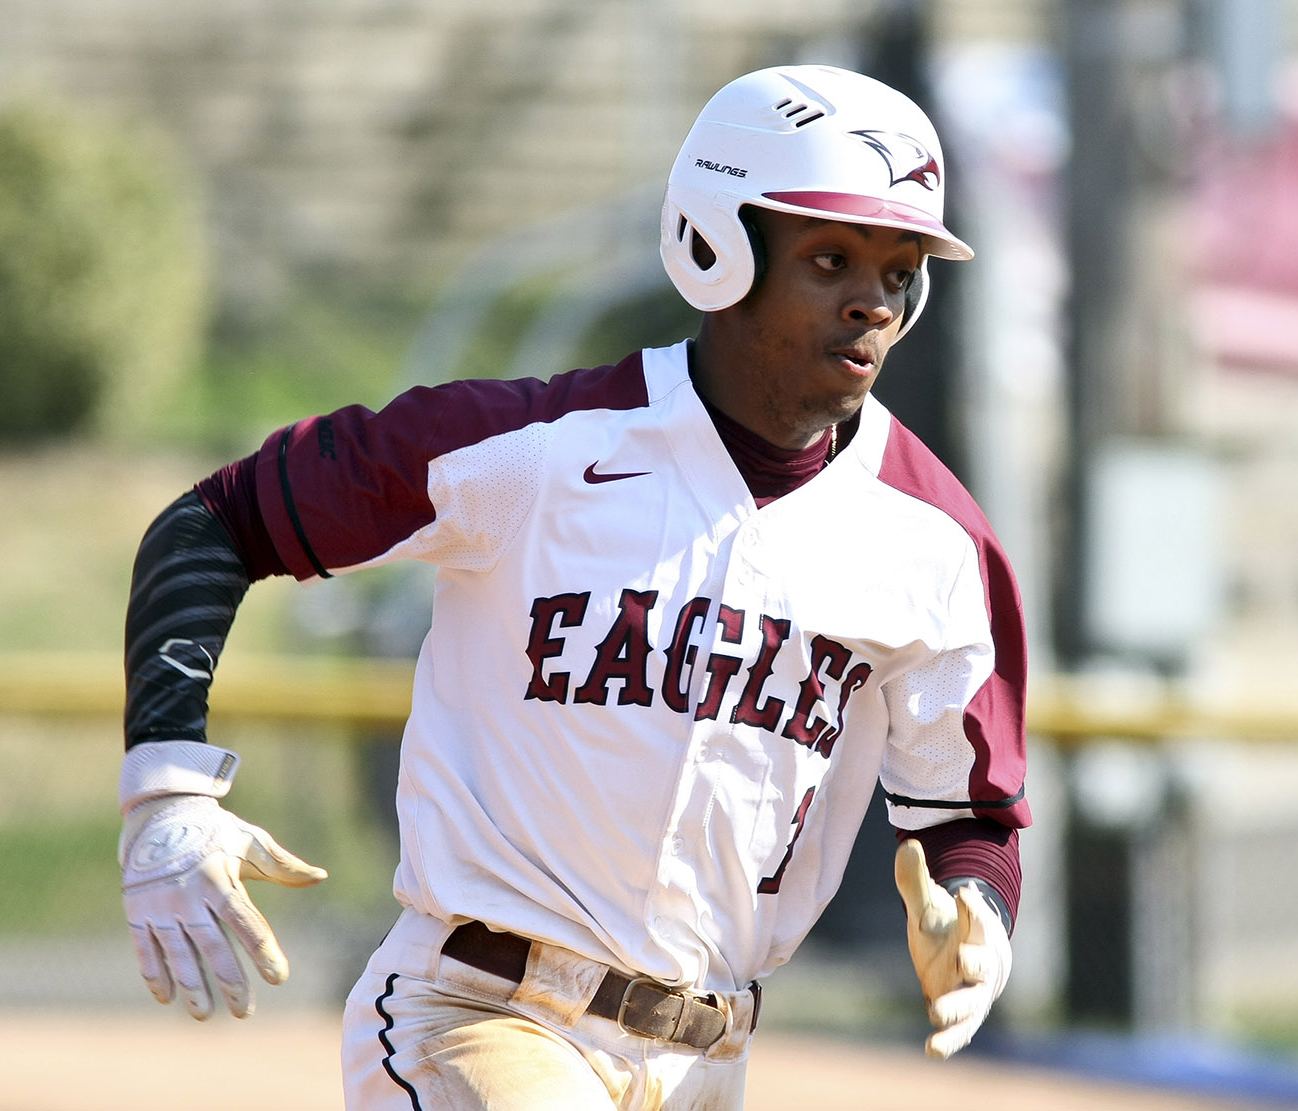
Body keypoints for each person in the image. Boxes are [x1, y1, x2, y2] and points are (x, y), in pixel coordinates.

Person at [115, 64, 1028, 1110]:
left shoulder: (935, 538)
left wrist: (974, 911)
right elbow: (215, 524)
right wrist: (169, 789)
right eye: (830, 258)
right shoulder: (532, 450)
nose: (873, 299)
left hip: (707, 1059)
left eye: (902, 268)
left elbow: (968, 805)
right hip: (480, 1013)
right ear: (714, 245)